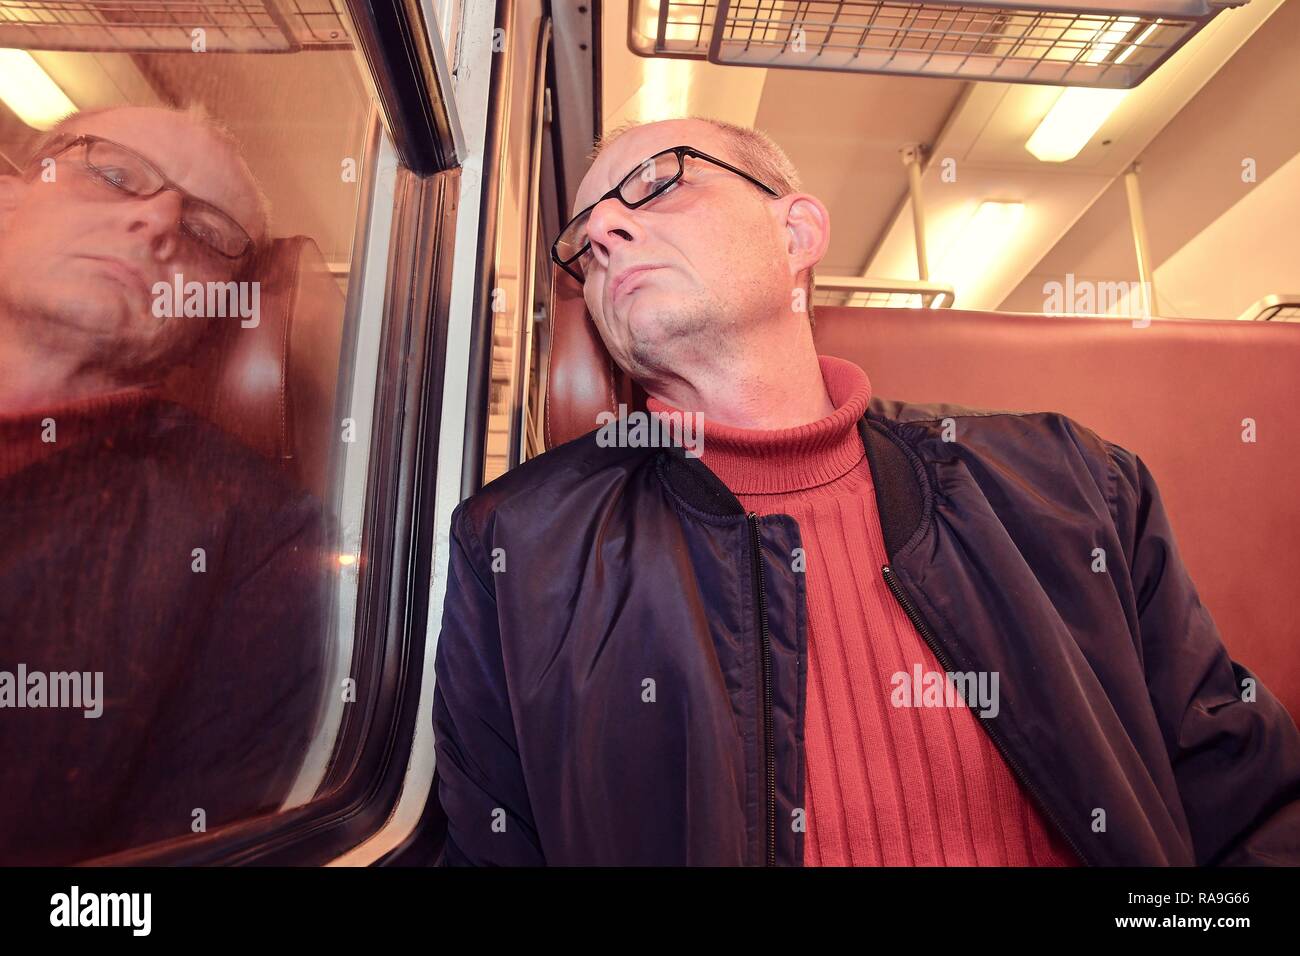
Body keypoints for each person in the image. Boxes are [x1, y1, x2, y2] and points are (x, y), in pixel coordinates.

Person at [431, 115, 1300, 867]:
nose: (606, 233)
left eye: (655, 185)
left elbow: (1247, 802)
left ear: (797, 234)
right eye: (582, 239)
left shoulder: (1073, 481)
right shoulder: (516, 548)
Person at [0, 105, 328, 865]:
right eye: (114, 175)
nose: (158, 225)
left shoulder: (250, 538)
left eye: (209, 235)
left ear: (207, 319)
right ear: (10, 197)